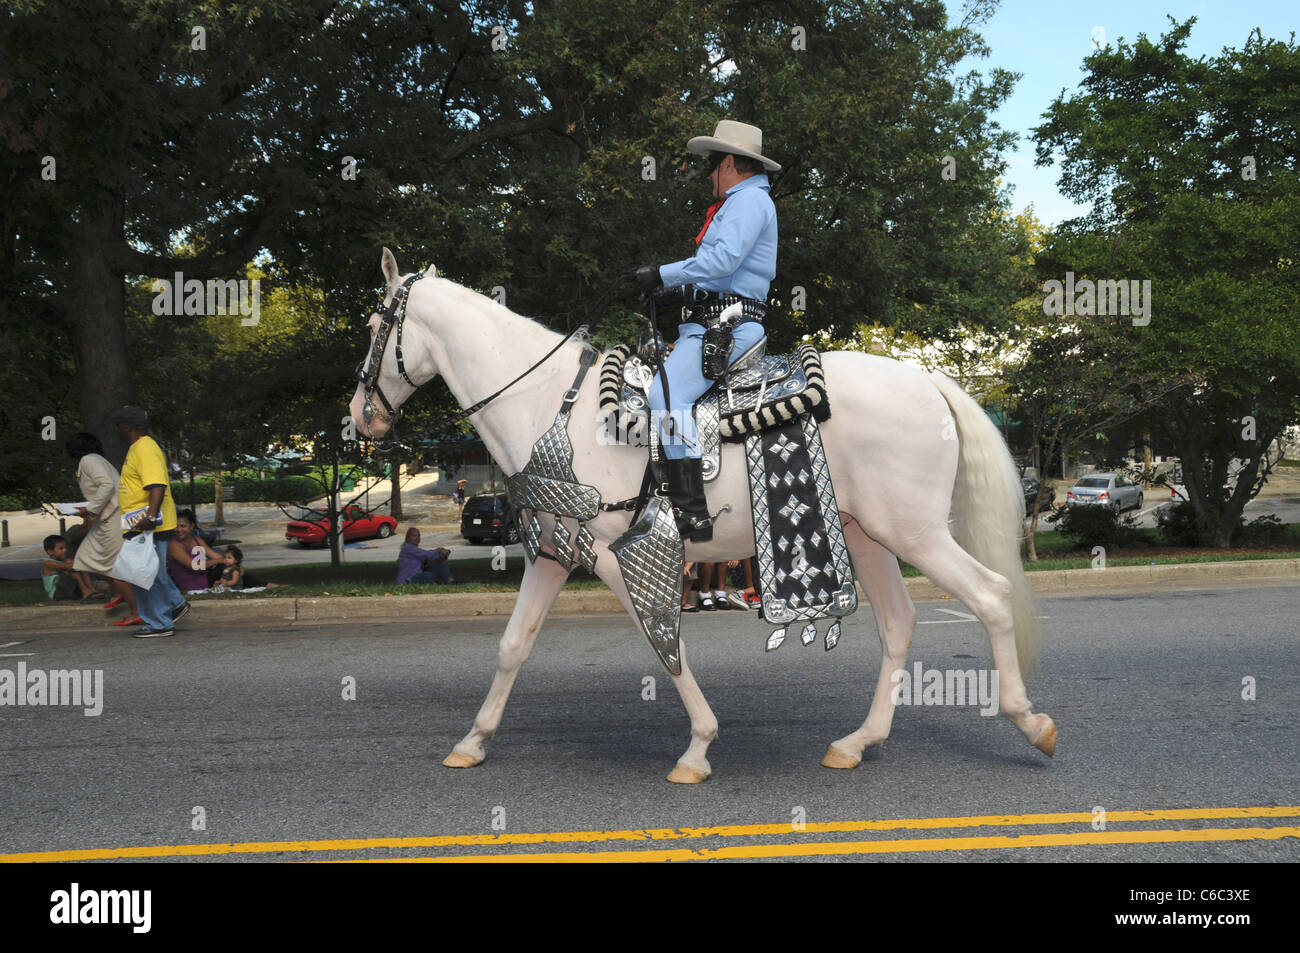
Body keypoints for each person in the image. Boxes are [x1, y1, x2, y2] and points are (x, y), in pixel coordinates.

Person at [624, 120, 780, 541]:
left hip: (729, 325)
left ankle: (691, 511)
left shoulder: (747, 202)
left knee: (665, 395)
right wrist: (675, 294)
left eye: (711, 165)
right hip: (708, 322)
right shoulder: (740, 203)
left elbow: (723, 261)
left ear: (728, 163)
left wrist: (660, 274)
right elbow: (720, 275)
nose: (708, 175)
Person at [113, 405, 189, 638]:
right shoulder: (138, 448)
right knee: (150, 572)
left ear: (127, 427)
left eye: (118, 424)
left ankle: (160, 623)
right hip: (141, 523)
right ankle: (174, 605)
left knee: (145, 574)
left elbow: (156, 485)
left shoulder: (145, 448)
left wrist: (149, 516)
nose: (116, 429)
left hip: (149, 524)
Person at [65, 431, 140, 623]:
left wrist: (90, 509)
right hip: (105, 518)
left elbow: (106, 485)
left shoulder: (89, 460)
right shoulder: (95, 459)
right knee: (84, 558)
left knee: (114, 567)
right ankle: (120, 592)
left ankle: (136, 613)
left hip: (112, 517)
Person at [41, 535, 94, 600]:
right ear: (50, 552)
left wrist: (78, 563)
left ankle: (91, 589)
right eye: (61, 548)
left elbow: (78, 564)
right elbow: (68, 567)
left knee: (80, 568)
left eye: (65, 547)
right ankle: (85, 591)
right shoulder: (48, 564)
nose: (65, 550)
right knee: (70, 569)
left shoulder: (66, 560)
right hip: (57, 593)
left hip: (69, 589)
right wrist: (77, 562)